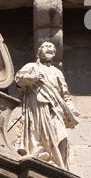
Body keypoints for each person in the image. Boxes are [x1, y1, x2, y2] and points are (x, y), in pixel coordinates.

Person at [15, 40, 79, 168]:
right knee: (38, 131)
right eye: (45, 46)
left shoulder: (57, 72)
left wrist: (71, 109)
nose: (49, 48)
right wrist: (33, 78)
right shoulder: (31, 67)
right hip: (38, 105)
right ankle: (41, 155)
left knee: (61, 135)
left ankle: (57, 161)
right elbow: (18, 80)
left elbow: (65, 94)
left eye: (51, 47)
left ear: (54, 53)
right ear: (39, 52)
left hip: (56, 108)